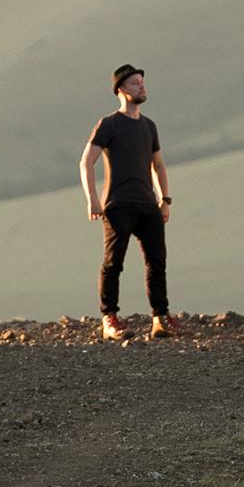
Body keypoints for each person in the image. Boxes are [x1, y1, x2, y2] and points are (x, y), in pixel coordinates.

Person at [80, 63, 173, 340]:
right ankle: (109, 320)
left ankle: (160, 319)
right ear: (120, 90)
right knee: (113, 263)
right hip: (118, 204)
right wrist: (92, 200)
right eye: (135, 83)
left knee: (157, 261)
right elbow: (86, 162)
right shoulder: (109, 124)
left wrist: (165, 199)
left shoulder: (149, 126)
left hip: (148, 204)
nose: (141, 87)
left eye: (142, 82)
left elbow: (159, 165)